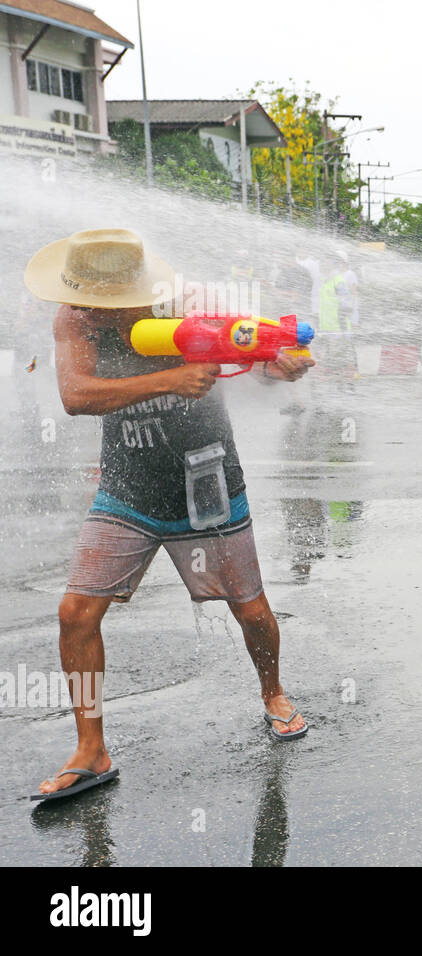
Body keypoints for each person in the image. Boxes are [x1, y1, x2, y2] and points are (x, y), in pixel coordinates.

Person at [23, 229, 316, 801]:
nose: (91, 312)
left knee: (252, 611)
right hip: (126, 489)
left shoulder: (192, 306)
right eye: (85, 299)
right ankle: (91, 750)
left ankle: (273, 692)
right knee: (75, 612)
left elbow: (260, 360)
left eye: (103, 302)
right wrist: (170, 379)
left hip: (206, 484)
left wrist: (280, 363)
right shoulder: (75, 321)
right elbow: (76, 394)